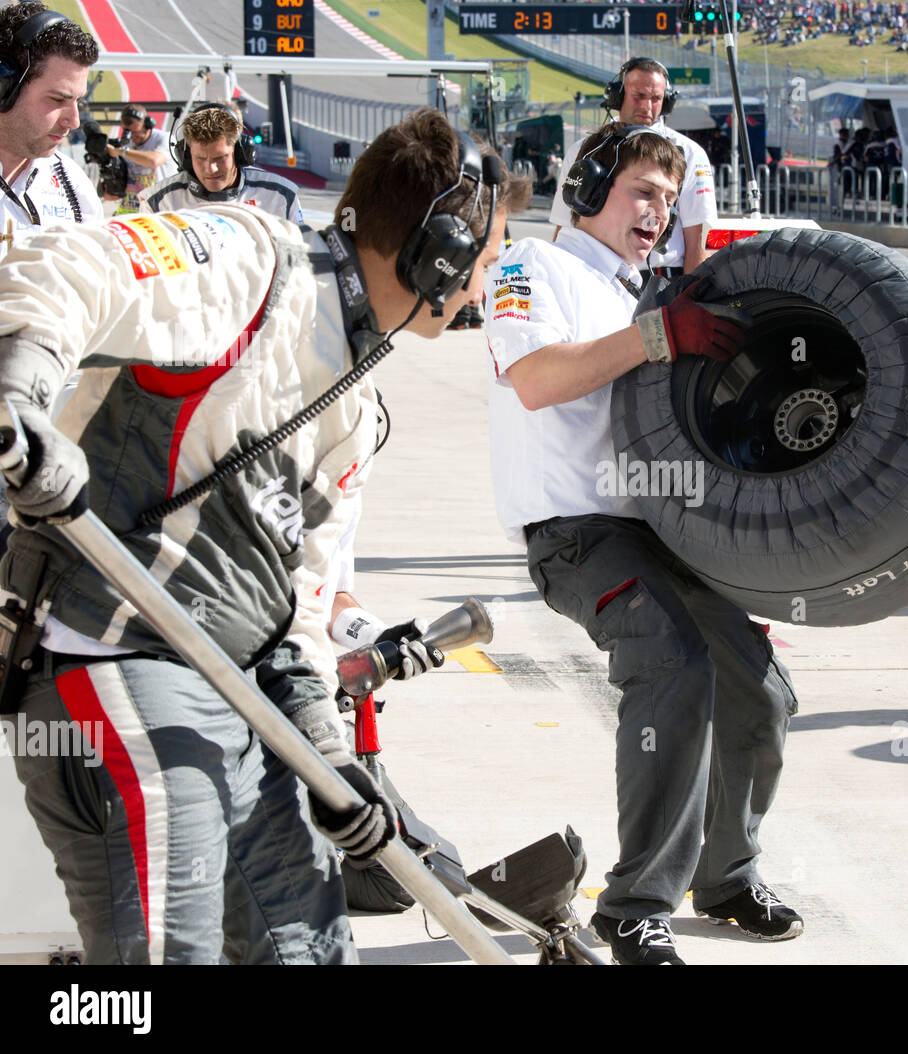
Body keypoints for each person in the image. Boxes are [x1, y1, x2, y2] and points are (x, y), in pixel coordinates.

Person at [0, 107, 525, 963]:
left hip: (239, 688)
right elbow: (66, 265)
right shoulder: (252, 258)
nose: (485, 280)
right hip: (110, 652)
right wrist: (20, 396)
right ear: (439, 254)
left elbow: (304, 607)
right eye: (487, 256)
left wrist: (327, 755)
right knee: (170, 952)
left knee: (309, 950)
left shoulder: (353, 410)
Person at [486, 123, 801, 966]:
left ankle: (726, 875)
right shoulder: (531, 268)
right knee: (671, 663)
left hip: (663, 529)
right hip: (575, 531)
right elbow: (539, 380)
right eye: (641, 192)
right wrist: (659, 336)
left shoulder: (646, 297)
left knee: (761, 690)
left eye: (669, 198)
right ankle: (632, 908)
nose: (658, 212)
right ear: (589, 192)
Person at [549, 57, 716, 278]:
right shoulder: (584, 150)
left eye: (656, 99)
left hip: (663, 282)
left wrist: (691, 299)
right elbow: (566, 223)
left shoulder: (691, 154)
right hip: (596, 275)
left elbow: (698, 237)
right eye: (639, 96)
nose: (647, 106)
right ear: (618, 96)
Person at [0, 3, 100, 250]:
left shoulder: (76, 188)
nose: (74, 121)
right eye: (58, 100)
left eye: (78, 100)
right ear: (4, 87)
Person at [140, 102, 302, 221]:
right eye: (200, 158)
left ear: (239, 153)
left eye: (220, 158)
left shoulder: (281, 197)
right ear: (187, 157)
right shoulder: (158, 203)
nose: (210, 168)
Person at [103, 102, 175, 212]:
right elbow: (108, 194)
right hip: (130, 210)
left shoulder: (164, 138)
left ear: (148, 124)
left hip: (159, 210)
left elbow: (154, 160)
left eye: (136, 132)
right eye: (128, 131)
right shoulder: (123, 145)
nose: (132, 136)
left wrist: (122, 152)